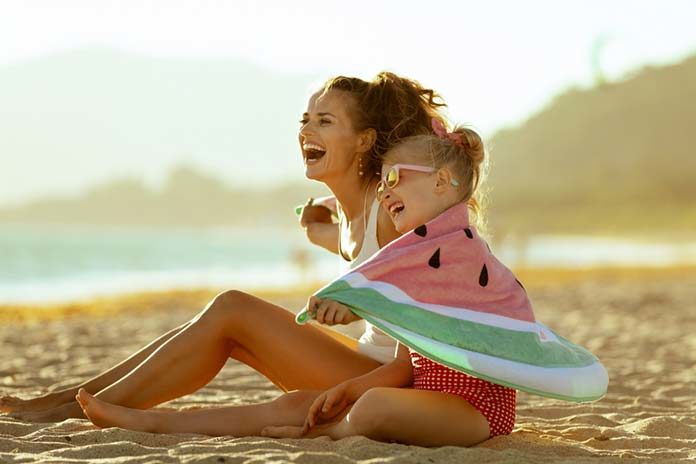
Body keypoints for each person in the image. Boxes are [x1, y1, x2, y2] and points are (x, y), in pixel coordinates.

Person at [0, 72, 447, 423]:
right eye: (305, 120)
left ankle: (77, 406)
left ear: (365, 140)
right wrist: (317, 228)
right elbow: (347, 245)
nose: (307, 130)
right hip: (367, 365)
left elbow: (428, 298)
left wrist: (352, 304)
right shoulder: (356, 217)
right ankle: (73, 397)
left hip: (391, 383)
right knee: (213, 325)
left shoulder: (389, 209)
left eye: (325, 122)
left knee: (232, 308)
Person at [72, 119, 516, 447]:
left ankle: (332, 431)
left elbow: (453, 329)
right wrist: (349, 386)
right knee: (300, 402)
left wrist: (361, 307)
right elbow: (405, 365)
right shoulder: (409, 254)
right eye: (381, 181)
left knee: (371, 408)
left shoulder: (461, 256)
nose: (384, 192)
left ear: (442, 182)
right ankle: (153, 423)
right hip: (422, 393)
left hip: (473, 412)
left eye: (395, 178)